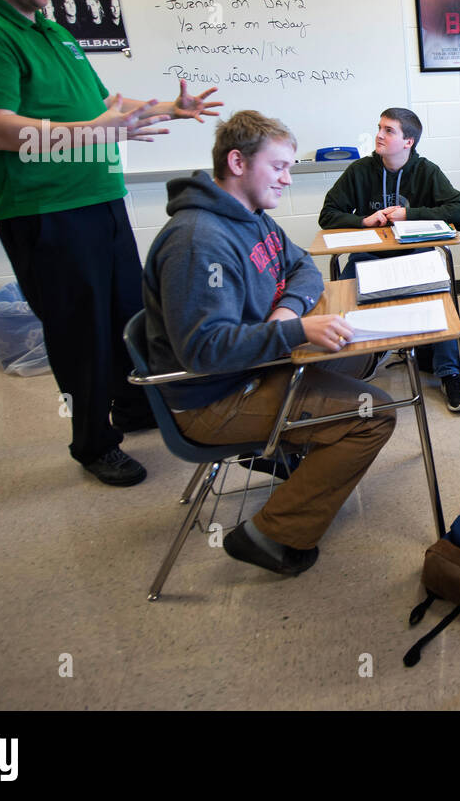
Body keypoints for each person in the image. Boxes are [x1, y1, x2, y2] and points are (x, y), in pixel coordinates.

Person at [0, 0, 222, 487]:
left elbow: (106, 101)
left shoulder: (53, 29)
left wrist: (169, 107)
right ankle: (92, 443)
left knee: (127, 314)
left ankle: (135, 406)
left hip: (99, 196)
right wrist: (101, 132)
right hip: (44, 209)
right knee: (78, 331)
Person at [143, 111, 396, 577]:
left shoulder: (250, 216)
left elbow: (300, 265)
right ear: (237, 162)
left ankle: (292, 461)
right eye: (278, 166)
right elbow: (204, 351)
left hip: (254, 365)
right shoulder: (199, 241)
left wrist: (284, 314)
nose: (287, 178)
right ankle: (273, 535)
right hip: (213, 399)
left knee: (360, 361)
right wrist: (295, 331)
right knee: (373, 415)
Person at [317, 108, 460, 412]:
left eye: (389, 130)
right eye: (379, 128)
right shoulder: (360, 171)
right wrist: (363, 220)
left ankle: (450, 373)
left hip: (415, 257)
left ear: (408, 141)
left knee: (441, 302)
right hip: (367, 258)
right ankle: (351, 371)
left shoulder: (426, 170)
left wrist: (409, 215)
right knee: (342, 301)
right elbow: (328, 215)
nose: (379, 135)